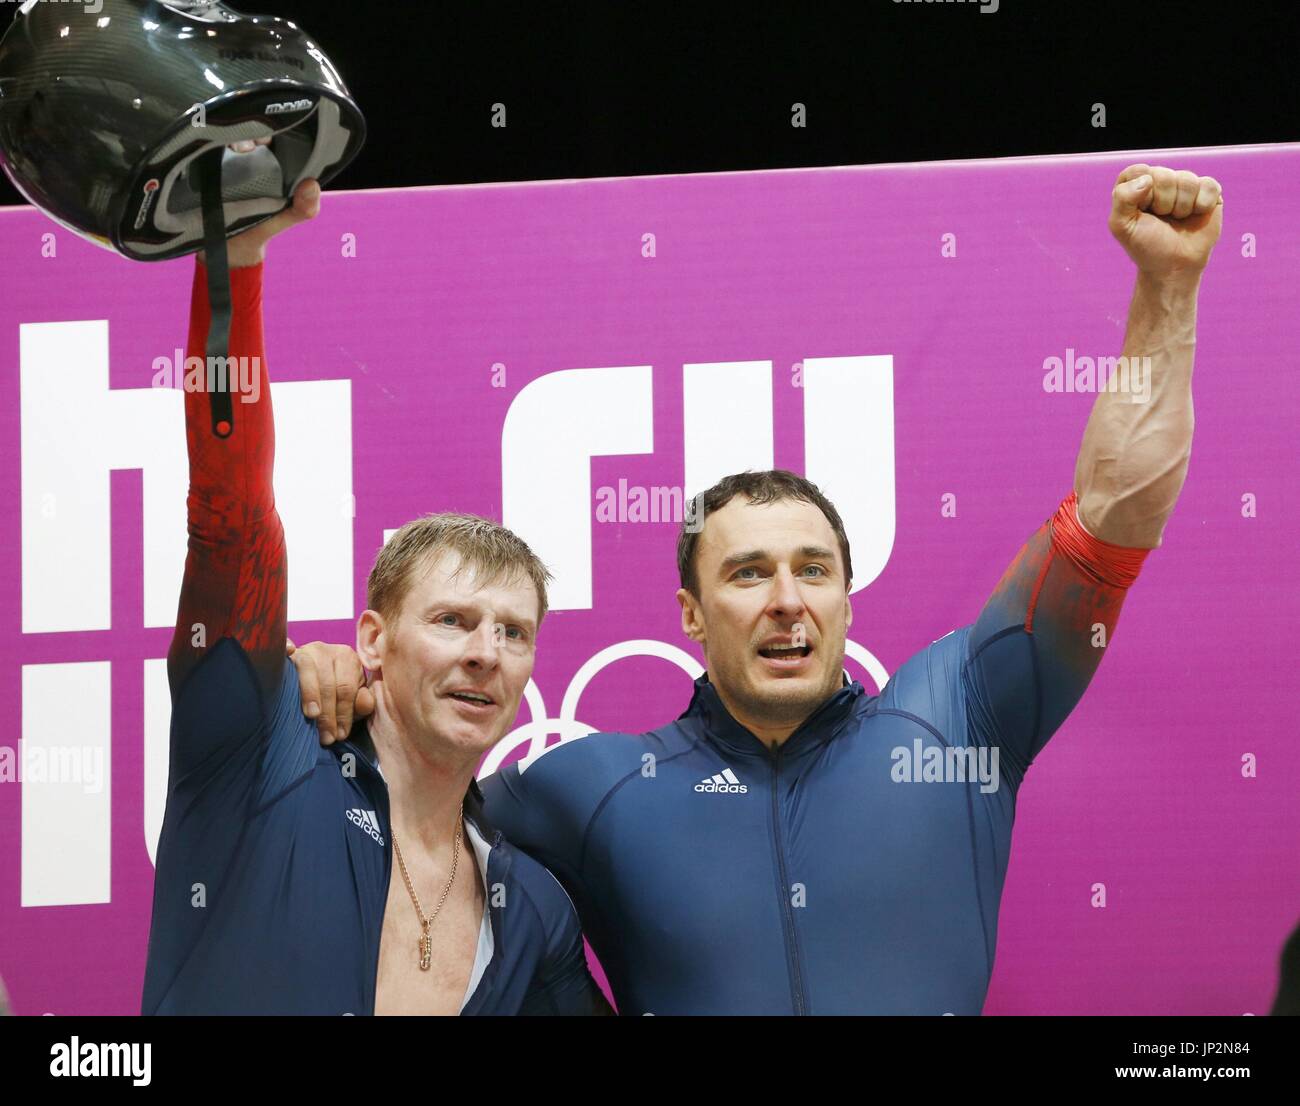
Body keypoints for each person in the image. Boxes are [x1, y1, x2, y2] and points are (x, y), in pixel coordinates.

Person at [291, 163, 1224, 1013]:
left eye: (813, 570)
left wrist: (1169, 288)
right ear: (691, 615)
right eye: (747, 573)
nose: (787, 598)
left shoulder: (961, 717)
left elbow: (1112, 515)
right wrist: (335, 680)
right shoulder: (590, 788)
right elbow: (407, 791)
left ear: (847, 602)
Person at [142, 163, 607, 1015]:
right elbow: (230, 520)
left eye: (512, 631)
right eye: (453, 620)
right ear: (371, 641)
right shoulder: (261, 748)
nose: (485, 653)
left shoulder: (531, 909)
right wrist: (235, 265)